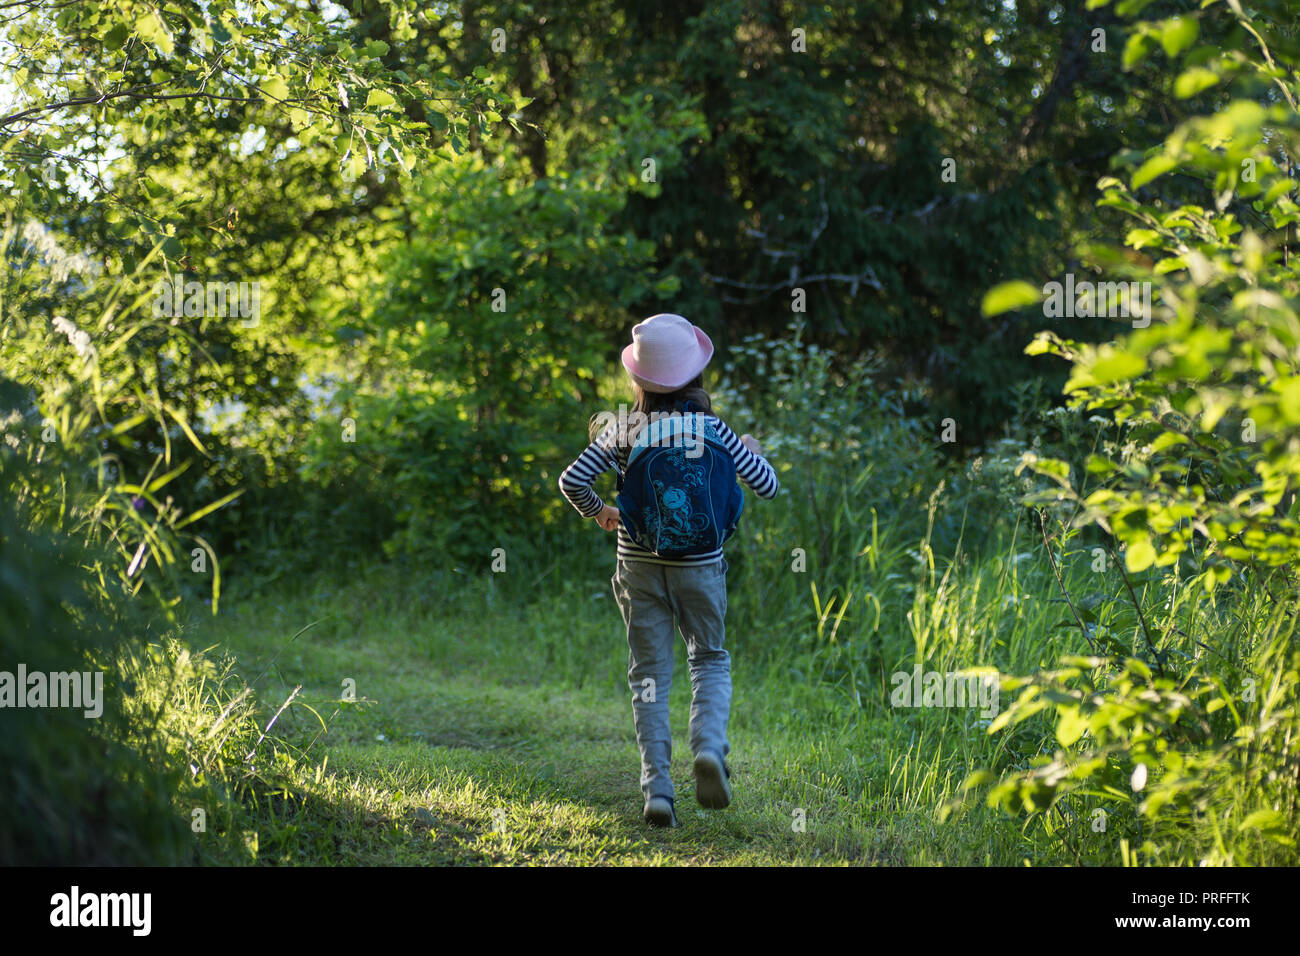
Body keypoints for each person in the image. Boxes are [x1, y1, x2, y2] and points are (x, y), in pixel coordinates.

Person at [558, 313, 779, 827]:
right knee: (710, 659)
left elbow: (572, 481)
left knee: (650, 676)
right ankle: (707, 749)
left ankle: (658, 791)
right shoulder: (711, 428)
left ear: (638, 380)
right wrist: (750, 452)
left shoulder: (625, 427)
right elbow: (766, 485)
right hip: (700, 565)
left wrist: (599, 511)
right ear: (695, 375)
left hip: (637, 564)